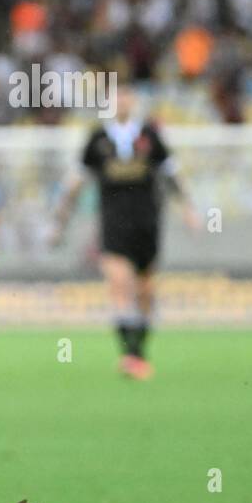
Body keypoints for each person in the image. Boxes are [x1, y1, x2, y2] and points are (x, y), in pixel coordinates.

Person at [51, 90, 199, 378]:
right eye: (115, 99)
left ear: (133, 102)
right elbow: (75, 181)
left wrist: (189, 209)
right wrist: (60, 219)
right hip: (113, 225)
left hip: (147, 223)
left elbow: (171, 174)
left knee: (145, 291)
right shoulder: (97, 140)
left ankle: (139, 351)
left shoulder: (150, 136)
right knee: (120, 286)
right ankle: (129, 355)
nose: (121, 103)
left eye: (125, 97)